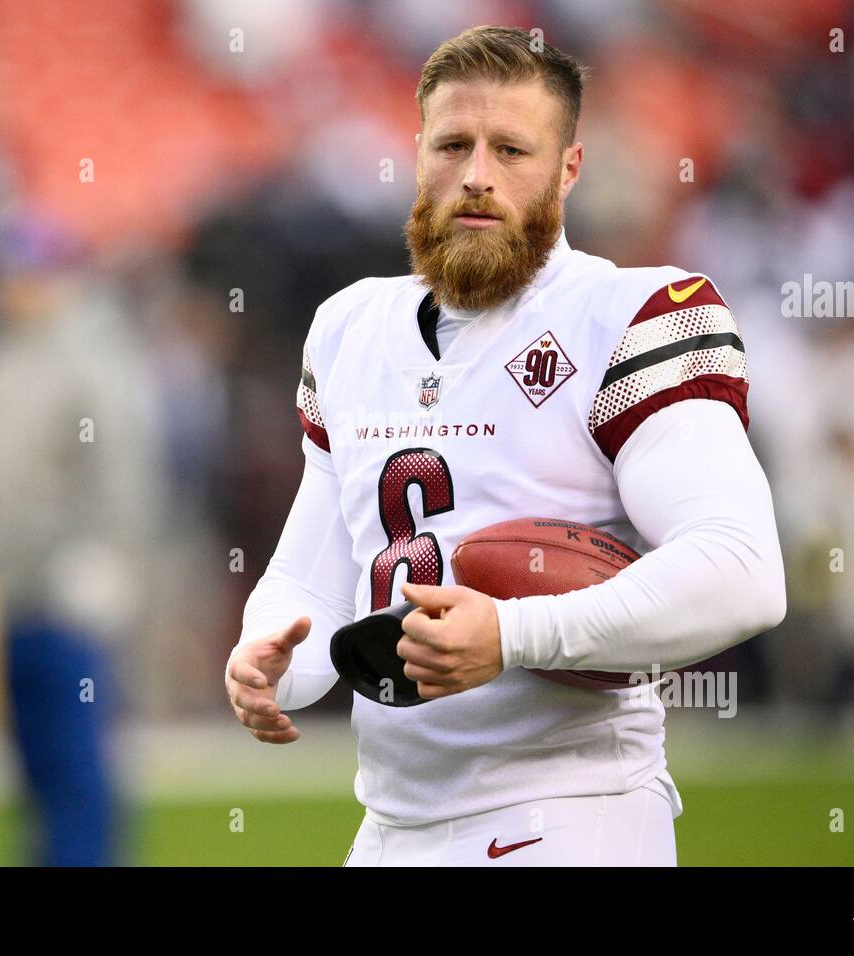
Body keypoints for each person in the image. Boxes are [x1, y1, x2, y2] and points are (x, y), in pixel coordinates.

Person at [225, 25, 786, 867]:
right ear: (416, 154)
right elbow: (315, 568)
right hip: (390, 823)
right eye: (453, 144)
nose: (477, 174)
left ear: (568, 169)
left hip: (569, 812)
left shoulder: (629, 316)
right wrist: (270, 656)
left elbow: (743, 571)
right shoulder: (350, 327)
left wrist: (517, 634)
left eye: (512, 149)